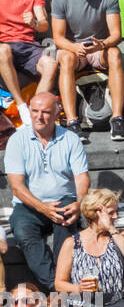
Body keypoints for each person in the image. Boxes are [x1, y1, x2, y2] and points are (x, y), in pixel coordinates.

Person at [4, 92, 88, 291]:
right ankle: (55, 286)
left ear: (57, 113)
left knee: (67, 226)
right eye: (34, 111)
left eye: (45, 112)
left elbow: (82, 177)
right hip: (29, 204)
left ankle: (63, 279)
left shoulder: (71, 139)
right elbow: (17, 187)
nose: (39, 116)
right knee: (23, 230)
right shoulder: (17, 140)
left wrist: (80, 203)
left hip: (63, 199)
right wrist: (43, 208)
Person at [49, 0, 124, 142]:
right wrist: (75, 47)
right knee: (66, 58)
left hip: (99, 47)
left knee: (115, 53)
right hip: (73, 48)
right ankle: (72, 121)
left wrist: (103, 44)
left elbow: (116, 34)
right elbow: (58, 37)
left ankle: (117, 118)